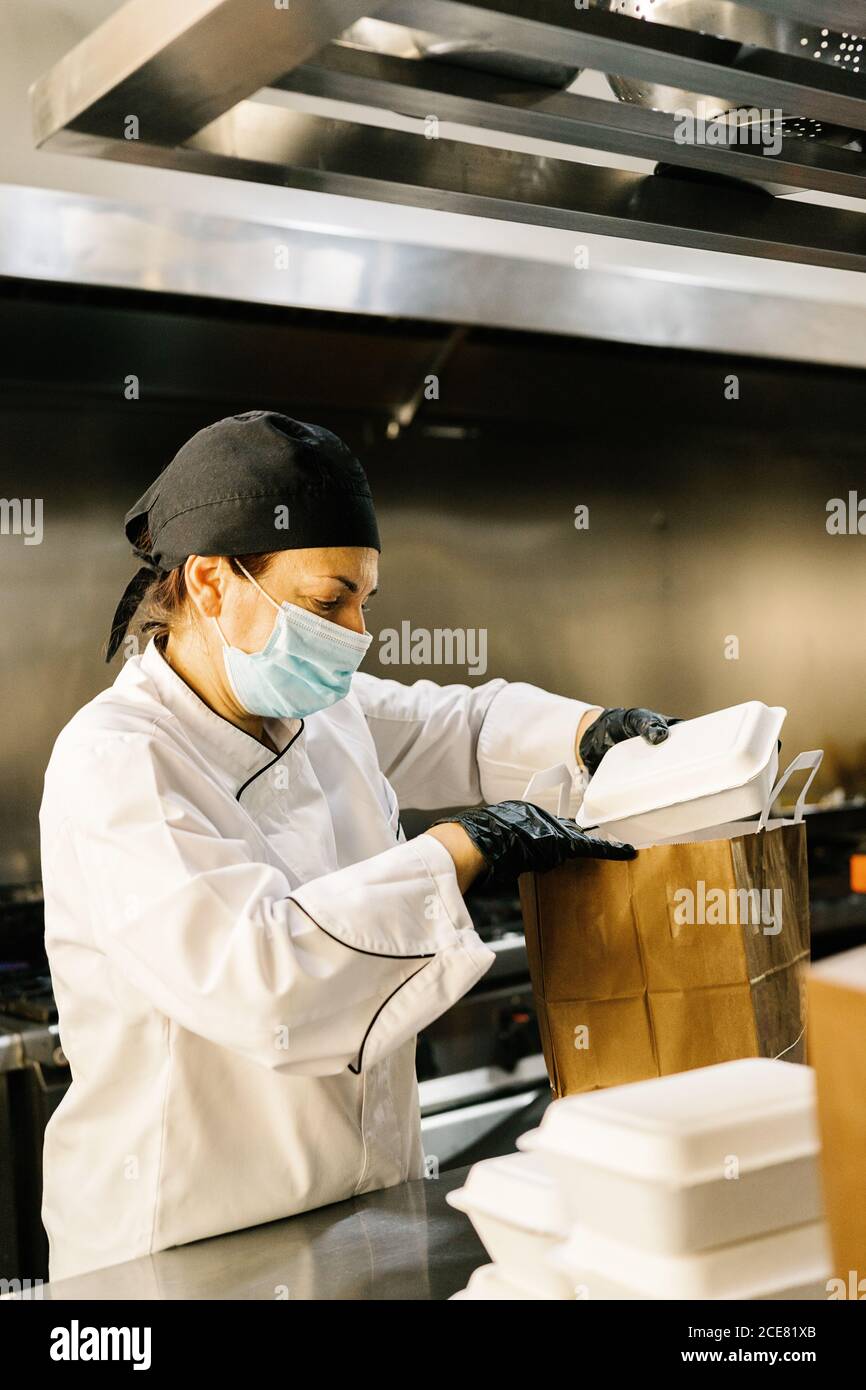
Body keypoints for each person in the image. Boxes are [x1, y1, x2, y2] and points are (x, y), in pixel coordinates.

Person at [38, 410, 676, 1281]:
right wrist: (463, 846)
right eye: (327, 601)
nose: (356, 632)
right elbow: (266, 981)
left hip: (360, 1217)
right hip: (186, 1247)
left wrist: (590, 734)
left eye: (364, 600)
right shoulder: (119, 760)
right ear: (212, 582)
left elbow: (465, 724)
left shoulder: (314, 710)